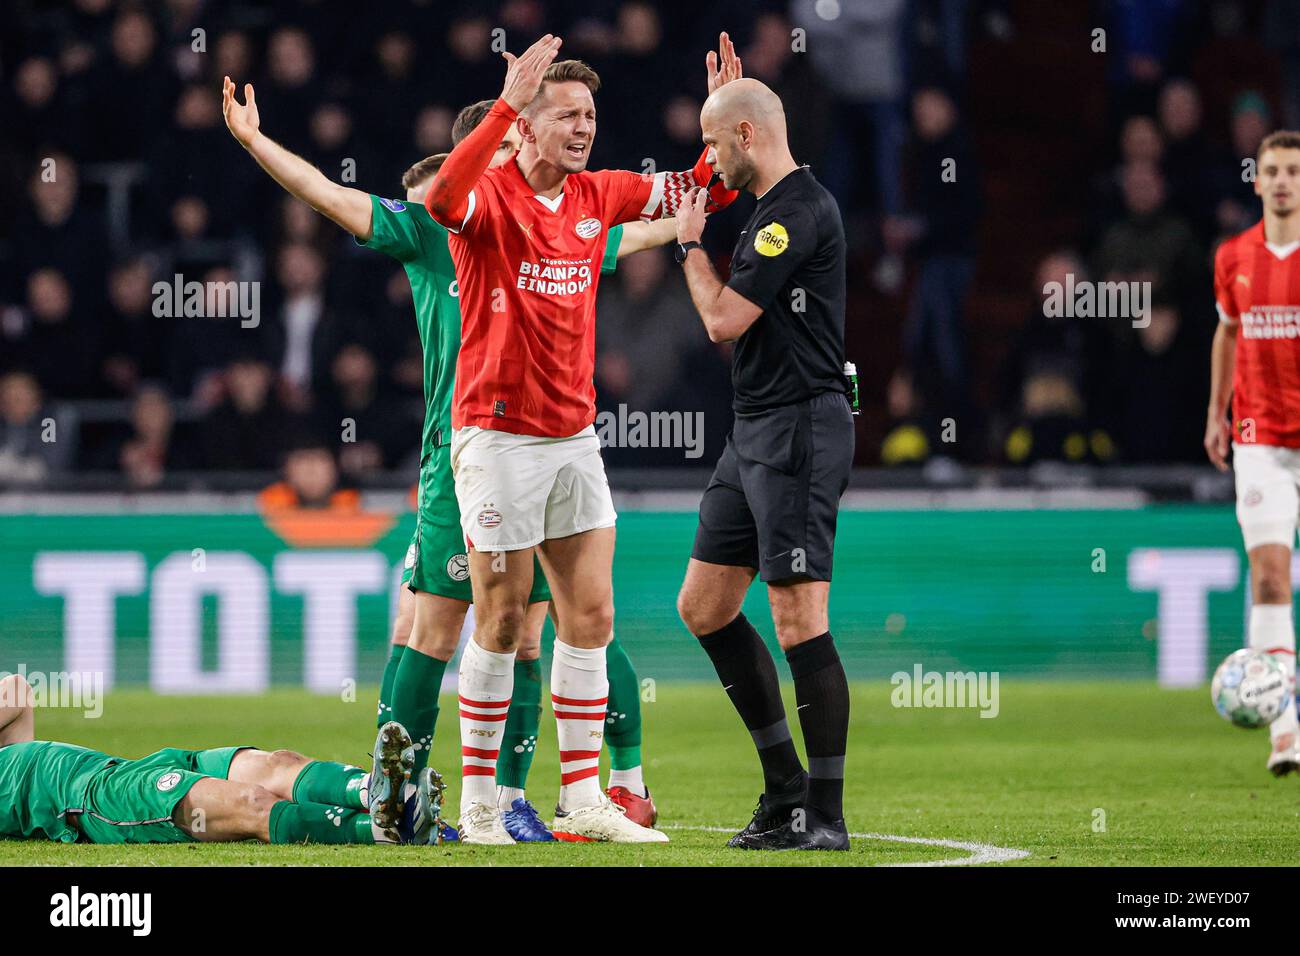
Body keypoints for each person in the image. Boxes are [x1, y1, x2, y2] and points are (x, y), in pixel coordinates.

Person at [222, 75, 676, 841]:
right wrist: (257, 141)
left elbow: (631, 232)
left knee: (541, 627)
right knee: (431, 626)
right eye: (502, 145)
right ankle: (397, 796)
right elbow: (334, 199)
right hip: (461, 456)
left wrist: (702, 200)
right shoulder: (442, 224)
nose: (518, 158)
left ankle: (513, 798)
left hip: (546, 447)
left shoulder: (554, 224)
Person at [421, 33, 738, 843]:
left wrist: (722, 125)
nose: (583, 126)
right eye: (564, 113)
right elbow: (438, 197)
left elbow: (705, 192)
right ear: (523, 127)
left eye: (590, 114)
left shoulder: (601, 195)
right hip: (496, 440)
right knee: (497, 621)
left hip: (572, 441)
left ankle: (583, 797)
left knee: (589, 615)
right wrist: (499, 106)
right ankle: (482, 804)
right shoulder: (488, 196)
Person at [672, 77, 855, 850]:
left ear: (746, 135)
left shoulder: (796, 214)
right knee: (704, 605)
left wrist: (687, 243)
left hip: (800, 427)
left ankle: (827, 814)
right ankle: (784, 794)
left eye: (715, 142)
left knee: (796, 616)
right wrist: (728, 105)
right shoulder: (768, 207)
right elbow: (734, 156)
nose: (708, 161)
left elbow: (723, 319)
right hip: (752, 429)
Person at [0, 672, 440, 846]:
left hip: (122, 766)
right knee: (250, 803)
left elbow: (15, 691)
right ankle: (383, 829)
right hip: (98, 801)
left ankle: (374, 791)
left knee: (274, 763)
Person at [1206, 129, 1300, 777]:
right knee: (1269, 573)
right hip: (1259, 438)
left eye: (1293, 171)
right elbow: (1227, 332)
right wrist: (1218, 411)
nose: (1284, 181)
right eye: (1273, 170)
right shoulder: (1233, 256)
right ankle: (1286, 728)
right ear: (1256, 179)